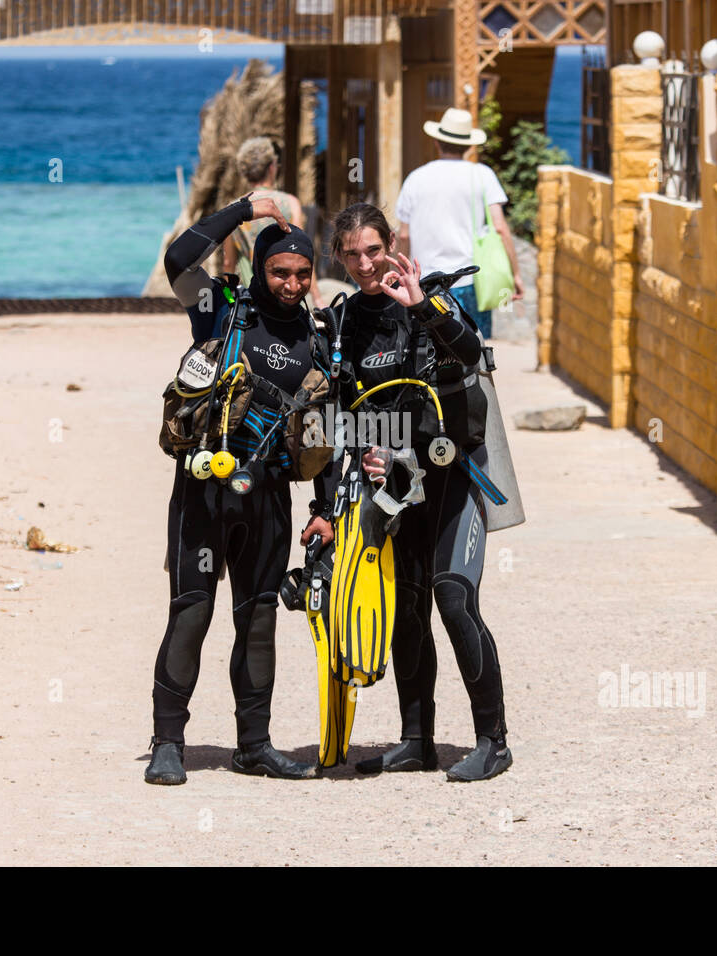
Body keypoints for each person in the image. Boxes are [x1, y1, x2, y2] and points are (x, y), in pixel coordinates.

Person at [320, 201, 511, 782]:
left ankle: (493, 741)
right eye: (351, 255)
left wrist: (422, 307)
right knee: (407, 611)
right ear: (340, 257)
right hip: (398, 491)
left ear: (392, 244)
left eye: (374, 250)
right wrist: (332, 501)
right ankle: (416, 739)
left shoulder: (430, 299)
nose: (365, 264)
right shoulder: (345, 322)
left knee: (453, 597)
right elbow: (340, 420)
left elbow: (471, 355)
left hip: (453, 477)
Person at [147, 195, 334, 786]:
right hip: (204, 491)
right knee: (191, 613)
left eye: (303, 274)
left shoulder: (316, 335)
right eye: (280, 271)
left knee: (257, 622)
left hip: (269, 499)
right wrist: (248, 208)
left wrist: (325, 509)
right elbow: (179, 257)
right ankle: (167, 742)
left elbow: (325, 431)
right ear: (260, 269)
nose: (292, 283)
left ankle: (254, 745)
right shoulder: (221, 308)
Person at [394, 107, 524, 340]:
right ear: (469, 146)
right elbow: (501, 228)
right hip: (469, 282)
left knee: (426, 349)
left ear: (437, 142)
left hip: (424, 285)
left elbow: (404, 236)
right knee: (474, 349)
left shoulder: (415, 178)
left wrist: (399, 277)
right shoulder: (482, 175)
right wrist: (515, 275)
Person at [223, 137, 306, 286]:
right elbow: (301, 255)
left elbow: (228, 263)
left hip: (251, 297)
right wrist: (316, 297)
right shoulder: (291, 203)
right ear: (272, 167)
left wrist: (228, 298)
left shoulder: (233, 209)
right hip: (286, 294)